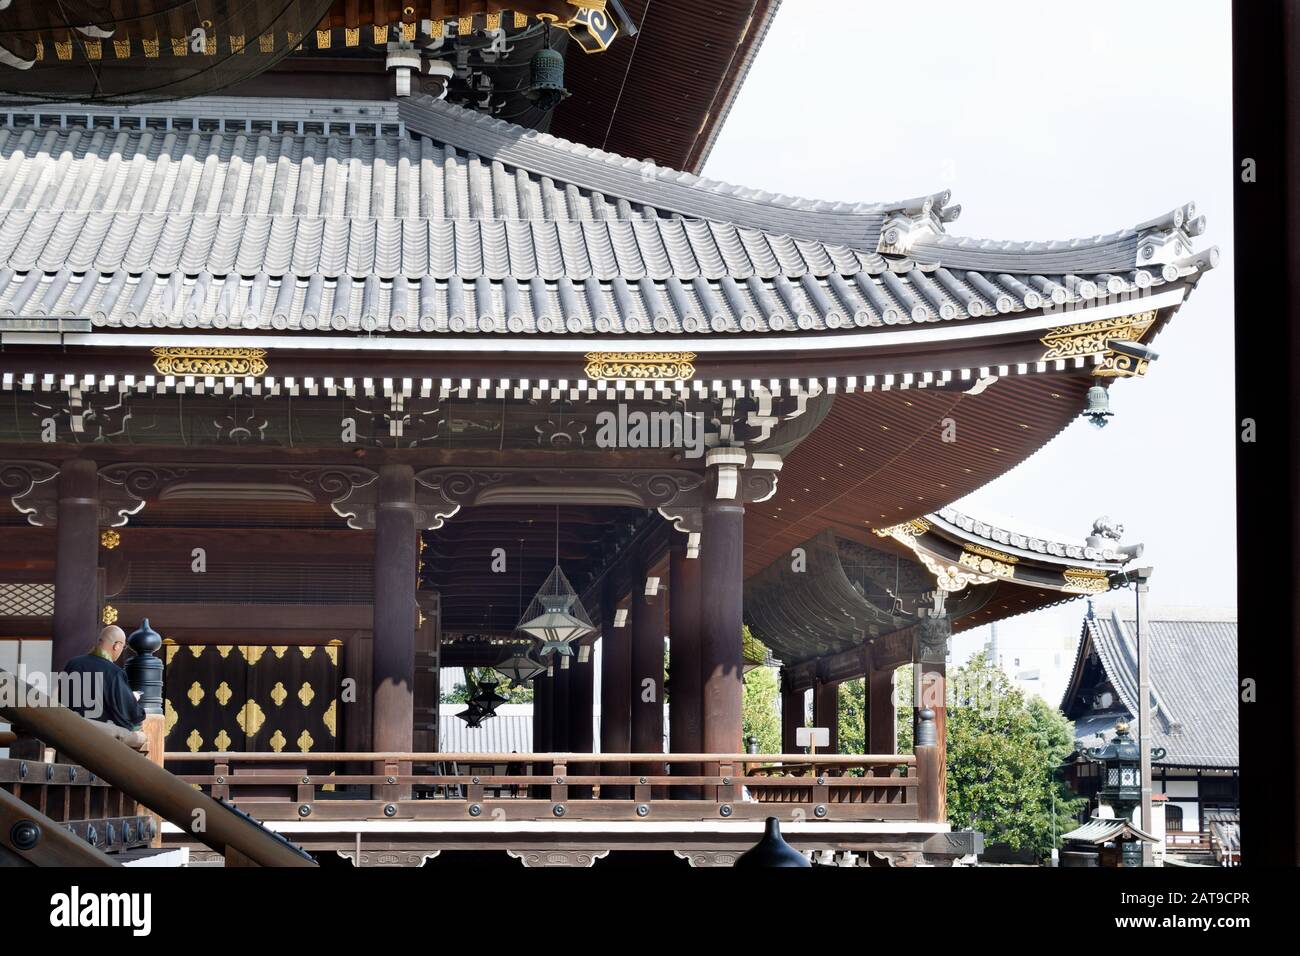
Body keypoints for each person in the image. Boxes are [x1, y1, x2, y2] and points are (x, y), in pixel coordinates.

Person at [61, 625, 145, 731]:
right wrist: (132, 698)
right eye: (123, 647)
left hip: (70, 732)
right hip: (100, 738)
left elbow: (62, 700)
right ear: (117, 645)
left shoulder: (72, 664)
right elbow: (131, 713)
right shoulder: (114, 672)